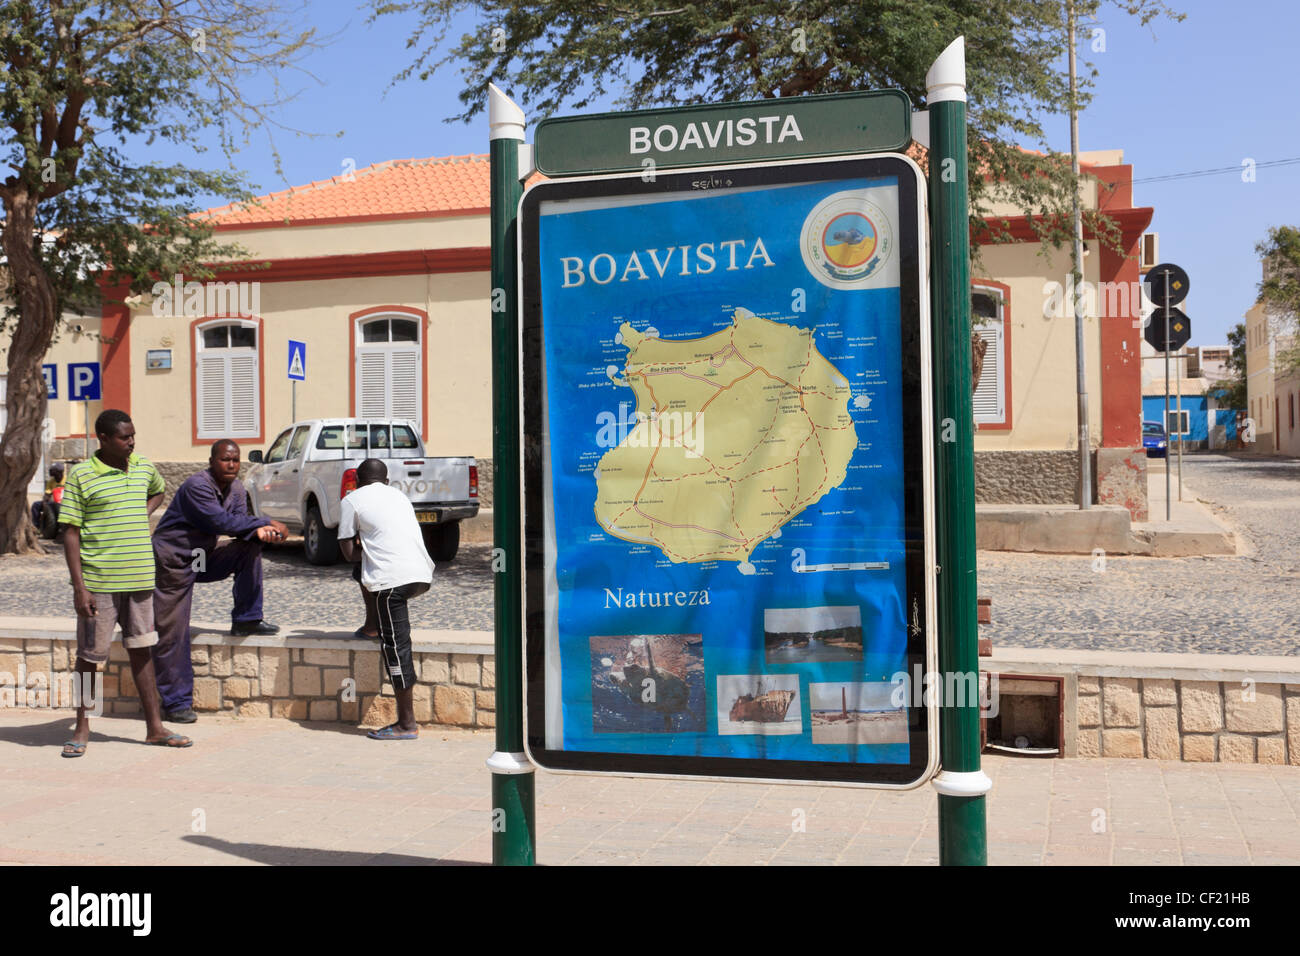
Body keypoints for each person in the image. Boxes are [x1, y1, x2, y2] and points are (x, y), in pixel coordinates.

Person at [59, 409, 191, 756]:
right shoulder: (82, 476)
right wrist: (79, 588)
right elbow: (70, 533)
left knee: (143, 651)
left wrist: (140, 512)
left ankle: (155, 728)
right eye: (124, 437)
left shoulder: (143, 467)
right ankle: (82, 727)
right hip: (99, 584)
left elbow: (159, 491)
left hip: (140, 580)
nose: (131, 442)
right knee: (89, 657)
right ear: (103, 439)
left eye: (133, 435)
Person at [151, 440, 289, 723]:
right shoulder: (196, 486)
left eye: (236, 460)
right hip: (173, 563)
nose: (232, 465)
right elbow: (220, 522)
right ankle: (176, 702)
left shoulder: (237, 488)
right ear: (212, 461)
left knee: (249, 548)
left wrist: (261, 533)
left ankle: (247, 619)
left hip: (201, 558)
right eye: (226, 459)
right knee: (173, 633)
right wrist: (265, 521)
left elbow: (239, 526)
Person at [338, 458, 434, 740]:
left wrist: (363, 549)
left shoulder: (352, 500)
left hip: (391, 584)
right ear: (387, 480)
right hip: (421, 575)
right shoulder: (399, 496)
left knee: (396, 647)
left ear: (356, 480)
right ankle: (372, 625)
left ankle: (406, 724)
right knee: (362, 571)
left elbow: (347, 552)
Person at [31, 462, 65, 531]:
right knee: (36, 505)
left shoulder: (67, 480)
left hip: (65, 502)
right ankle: (36, 527)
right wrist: (44, 502)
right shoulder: (51, 482)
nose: (50, 471)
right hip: (54, 502)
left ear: (59, 472)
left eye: (53, 470)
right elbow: (47, 494)